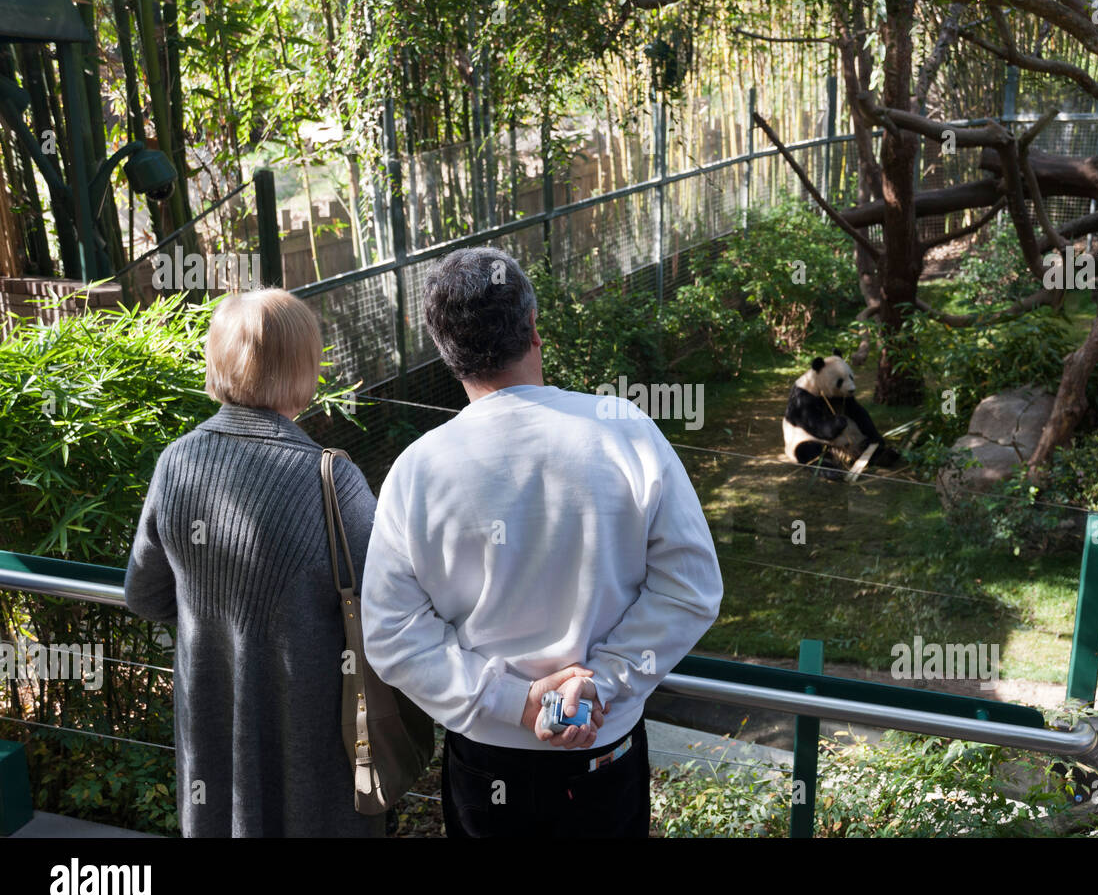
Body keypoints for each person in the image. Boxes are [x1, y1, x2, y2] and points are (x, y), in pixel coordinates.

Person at [361, 247, 723, 838]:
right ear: (533, 327)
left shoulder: (417, 470)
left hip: (486, 764)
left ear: (445, 351)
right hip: (602, 755)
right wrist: (599, 684)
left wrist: (516, 704)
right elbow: (692, 589)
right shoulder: (625, 430)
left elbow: (391, 634)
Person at [124, 288, 384, 837]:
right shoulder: (332, 480)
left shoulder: (176, 465)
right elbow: (390, 603)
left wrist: (220, 621)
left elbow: (145, 594)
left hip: (211, 739)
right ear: (304, 368)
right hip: (316, 751)